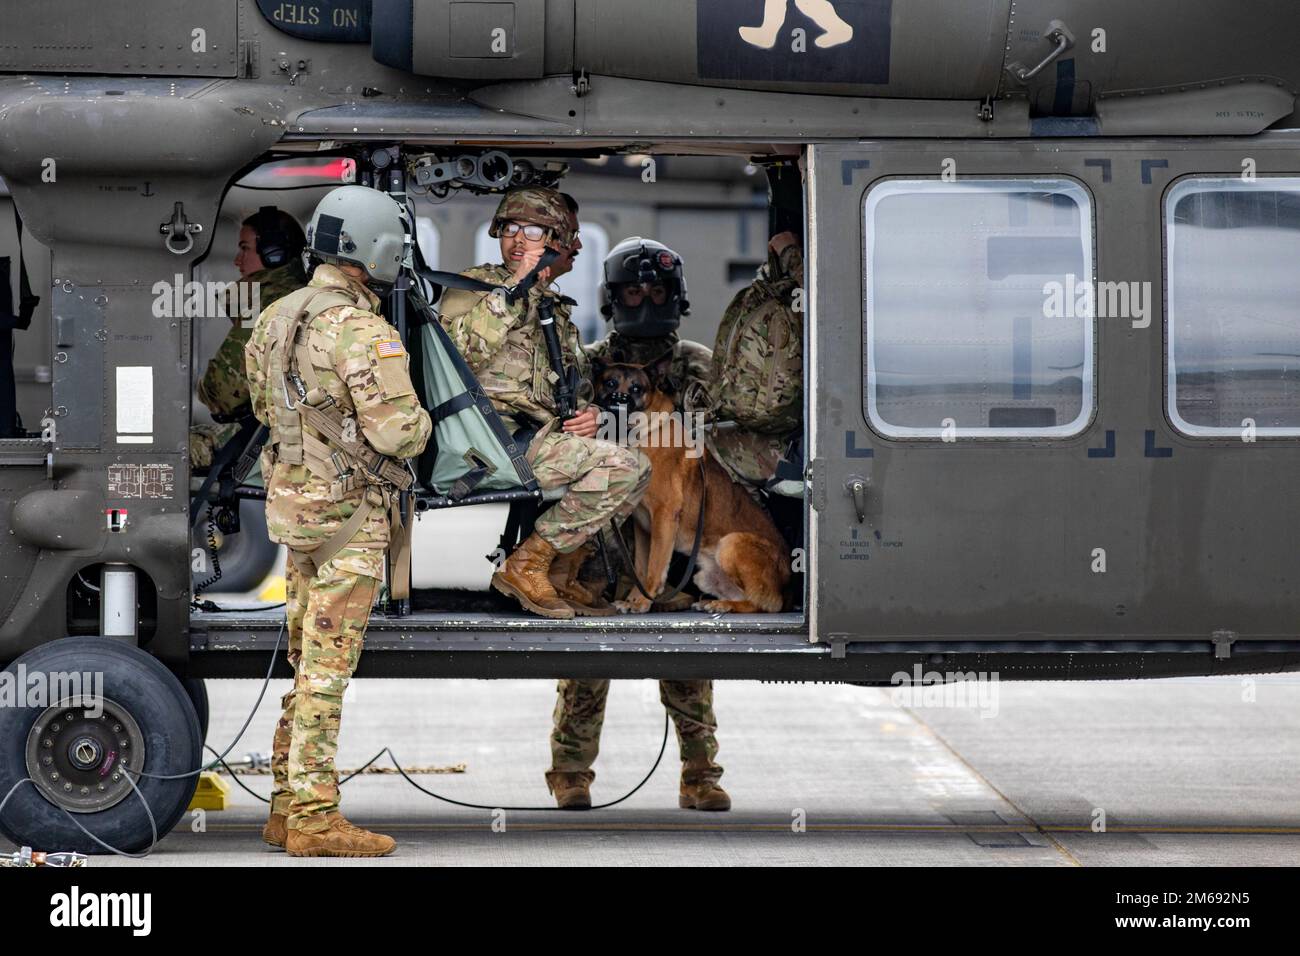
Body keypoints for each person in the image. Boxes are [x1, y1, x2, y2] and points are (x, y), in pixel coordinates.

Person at [245, 185, 431, 857]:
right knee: (327, 672)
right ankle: (316, 822)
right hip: (351, 520)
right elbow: (399, 433)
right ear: (374, 250)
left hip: (297, 518)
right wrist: (428, 416)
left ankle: (284, 806)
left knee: (305, 667)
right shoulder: (364, 329)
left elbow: (265, 411)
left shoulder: (276, 317)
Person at [545, 238, 728, 813]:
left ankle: (700, 776)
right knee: (586, 661)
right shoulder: (592, 364)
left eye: (656, 289)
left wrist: (634, 430)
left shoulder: (695, 363)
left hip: (674, 538)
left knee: (686, 662)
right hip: (602, 534)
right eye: (634, 288)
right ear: (613, 296)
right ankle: (571, 773)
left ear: (676, 297)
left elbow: (708, 441)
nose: (645, 299)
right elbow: (567, 433)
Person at [437, 186, 650, 621]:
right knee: (625, 468)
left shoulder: (554, 307)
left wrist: (591, 417)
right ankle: (527, 564)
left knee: (631, 464)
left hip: (527, 439)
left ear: (554, 241)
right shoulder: (475, 288)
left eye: (532, 231)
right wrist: (516, 286)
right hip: (485, 444)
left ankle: (559, 574)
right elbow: (456, 355)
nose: (517, 240)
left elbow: (567, 389)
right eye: (509, 229)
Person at [189, 207, 306, 470]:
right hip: (291, 432)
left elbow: (222, 395)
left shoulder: (266, 304)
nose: (237, 260)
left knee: (173, 453)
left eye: (245, 249)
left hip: (270, 437)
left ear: (273, 255)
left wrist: (202, 387)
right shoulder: (301, 296)